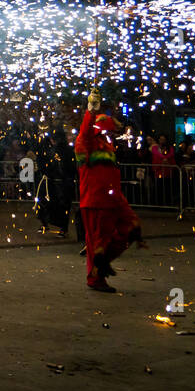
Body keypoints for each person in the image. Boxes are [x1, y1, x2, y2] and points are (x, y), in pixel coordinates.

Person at [75, 90, 147, 292]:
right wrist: (90, 110)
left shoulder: (107, 144)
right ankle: (96, 277)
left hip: (113, 197)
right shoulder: (86, 141)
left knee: (132, 226)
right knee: (97, 242)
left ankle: (103, 261)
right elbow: (85, 131)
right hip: (96, 200)